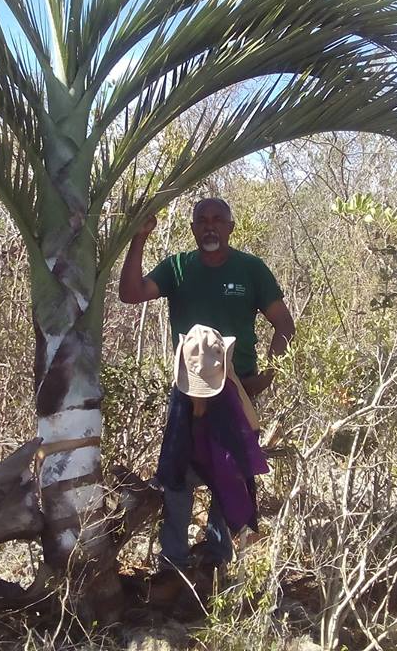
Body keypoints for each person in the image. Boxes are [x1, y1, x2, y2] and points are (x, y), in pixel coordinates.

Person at [119, 197, 295, 570]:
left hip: (237, 389)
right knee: (177, 474)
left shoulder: (251, 269)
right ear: (193, 228)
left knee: (228, 475)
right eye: (202, 221)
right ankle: (173, 564)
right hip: (189, 390)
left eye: (218, 220)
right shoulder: (179, 267)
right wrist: (138, 239)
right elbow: (131, 294)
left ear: (231, 226)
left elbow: (284, 323)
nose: (210, 227)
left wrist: (268, 373)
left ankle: (217, 563)